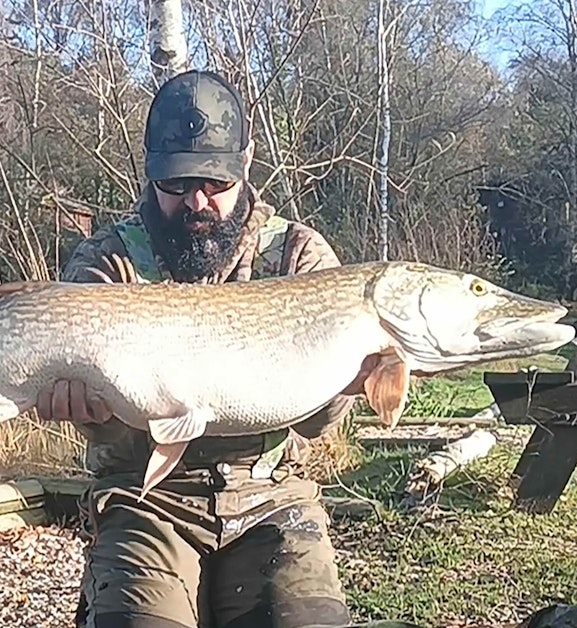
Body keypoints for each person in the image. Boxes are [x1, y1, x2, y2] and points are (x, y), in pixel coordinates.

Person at [35, 69, 383, 628]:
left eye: (215, 183)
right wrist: (87, 414)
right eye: (176, 184)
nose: (196, 202)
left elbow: (316, 424)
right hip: (144, 500)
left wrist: (354, 378)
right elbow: (103, 431)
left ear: (245, 163)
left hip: (272, 499)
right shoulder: (107, 264)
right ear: (150, 172)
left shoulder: (299, 259)